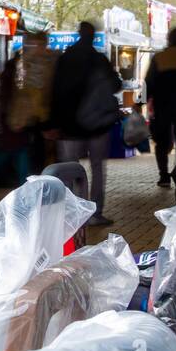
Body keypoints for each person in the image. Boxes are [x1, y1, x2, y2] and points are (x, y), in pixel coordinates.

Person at [50, 20, 122, 224]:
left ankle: (73, 214)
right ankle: (95, 213)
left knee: (70, 170)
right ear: (92, 36)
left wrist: (53, 124)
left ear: (78, 34)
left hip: (69, 127)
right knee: (98, 169)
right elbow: (115, 85)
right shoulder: (99, 59)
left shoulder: (65, 59)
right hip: (97, 126)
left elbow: (54, 92)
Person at [0, 29, 56, 185]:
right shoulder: (24, 64)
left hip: (29, 122)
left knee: (20, 155)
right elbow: (22, 95)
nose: (38, 48)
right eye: (35, 44)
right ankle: (25, 186)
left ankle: (25, 186)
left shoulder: (36, 64)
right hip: (23, 121)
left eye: (40, 44)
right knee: (19, 155)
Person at [145, 25, 176, 198]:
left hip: (162, 106)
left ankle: (164, 175)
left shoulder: (159, 57)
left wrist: (139, 103)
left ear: (169, 38)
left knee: (162, 142)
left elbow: (149, 82)